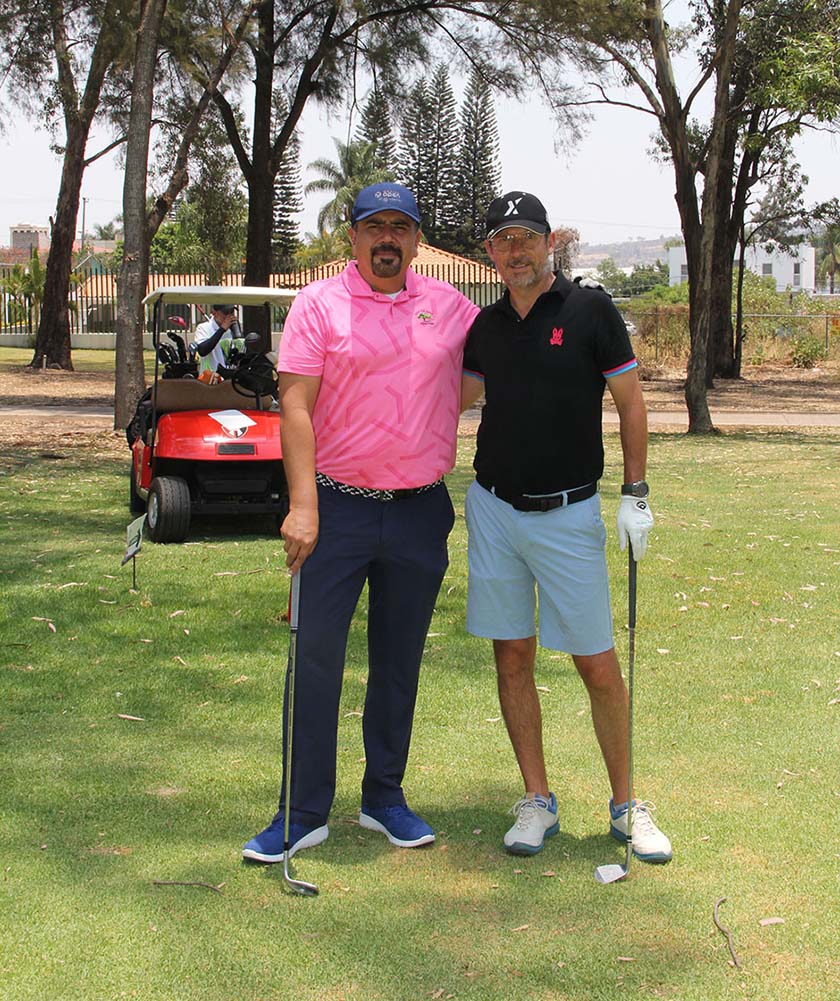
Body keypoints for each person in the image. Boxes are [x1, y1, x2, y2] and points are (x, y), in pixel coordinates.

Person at [243, 183, 479, 863]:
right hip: (335, 509)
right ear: (351, 236)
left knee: (398, 663)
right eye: (373, 226)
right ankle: (302, 811)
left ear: (416, 239)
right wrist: (304, 505)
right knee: (315, 661)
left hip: (418, 512)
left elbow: (484, 369)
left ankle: (384, 797)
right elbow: (294, 407)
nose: (386, 238)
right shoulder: (319, 305)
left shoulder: (451, 308)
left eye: (400, 227)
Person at [460, 191, 672, 863]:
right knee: (512, 654)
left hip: (569, 510)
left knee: (597, 662)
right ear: (489, 253)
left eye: (527, 237)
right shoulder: (485, 327)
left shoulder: (591, 310)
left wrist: (635, 492)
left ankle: (626, 804)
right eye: (503, 240)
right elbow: (447, 398)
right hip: (494, 508)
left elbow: (630, 402)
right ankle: (537, 800)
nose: (515, 250)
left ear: (550, 242)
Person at [191, 304, 241, 375]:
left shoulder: (232, 330)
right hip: (210, 377)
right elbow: (202, 351)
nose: (229, 316)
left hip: (229, 376)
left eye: (231, 312)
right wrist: (222, 329)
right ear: (214, 313)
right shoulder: (204, 328)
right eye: (226, 313)